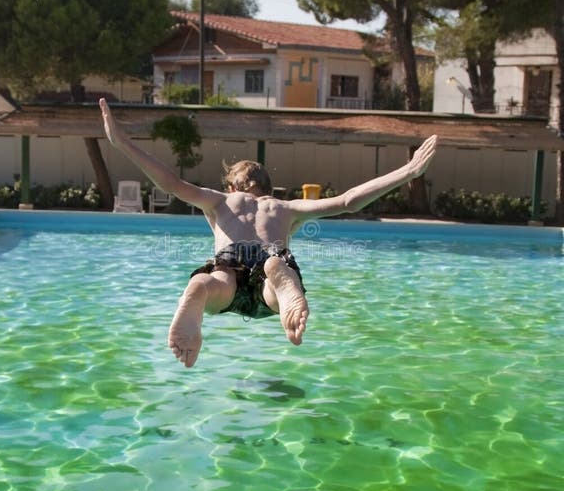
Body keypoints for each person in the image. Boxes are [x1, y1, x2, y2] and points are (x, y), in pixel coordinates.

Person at [100, 99, 437, 368]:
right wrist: (408, 171)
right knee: (275, 273)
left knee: (210, 283)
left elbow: (171, 183)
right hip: (270, 264)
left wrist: (122, 143)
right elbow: (347, 201)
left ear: (233, 185)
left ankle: (197, 292)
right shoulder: (284, 208)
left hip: (228, 268)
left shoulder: (221, 201)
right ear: (267, 187)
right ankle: (280, 281)